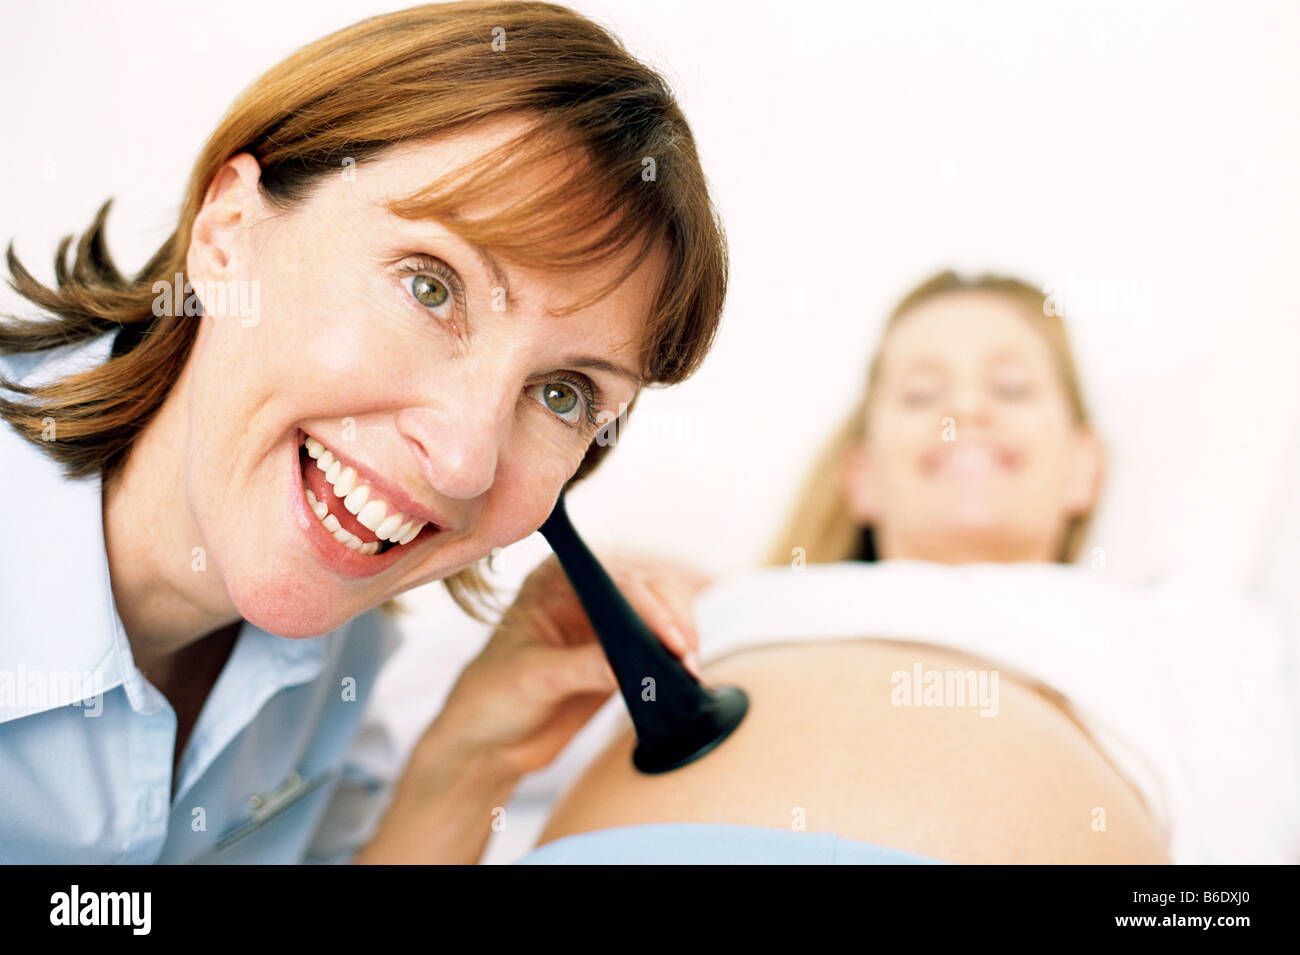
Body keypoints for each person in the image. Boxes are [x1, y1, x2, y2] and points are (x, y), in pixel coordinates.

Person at [0, 1, 725, 864]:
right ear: (230, 233)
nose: (462, 462)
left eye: (563, 393)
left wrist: (469, 754)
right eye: (430, 288)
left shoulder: (342, 652)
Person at [521, 271, 1185, 864]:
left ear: (1084, 466)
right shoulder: (725, 602)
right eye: (922, 395)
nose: (966, 411)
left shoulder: (1172, 624)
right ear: (861, 475)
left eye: (1012, 387)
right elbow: (474, 724)